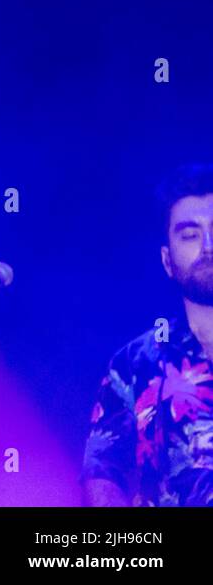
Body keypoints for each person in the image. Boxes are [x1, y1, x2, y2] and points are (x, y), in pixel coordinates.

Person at [81, 163, 213, 506]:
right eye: (190, 235)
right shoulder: (135, 362)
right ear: (167, 261)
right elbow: (103, 470)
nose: (208, 245)